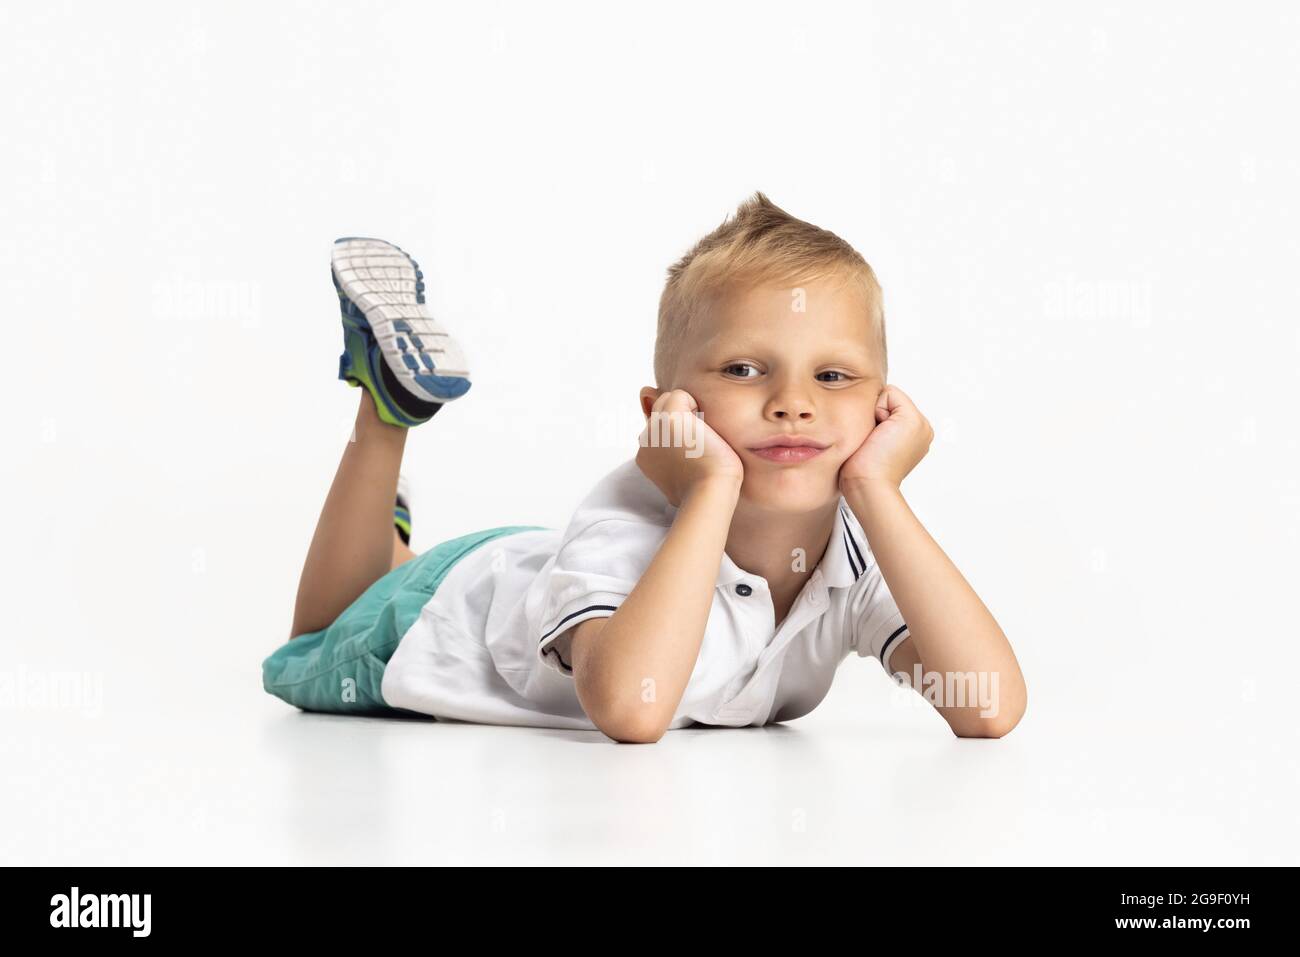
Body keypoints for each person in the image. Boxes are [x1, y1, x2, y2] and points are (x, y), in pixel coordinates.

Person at [262, 194, 1027, 743]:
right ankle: (386, 409)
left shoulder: (856, 553)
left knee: (392, 559)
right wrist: (711, 489)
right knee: (321, 628)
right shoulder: (627, 523)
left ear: (885, 408)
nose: (794, 403)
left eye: (834, 378)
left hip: (531, 569)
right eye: (743, 369)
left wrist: (877, 489)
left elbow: (988, 706)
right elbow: (631, 708)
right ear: (667, 410)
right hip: (442, 610)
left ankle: (389, 522)